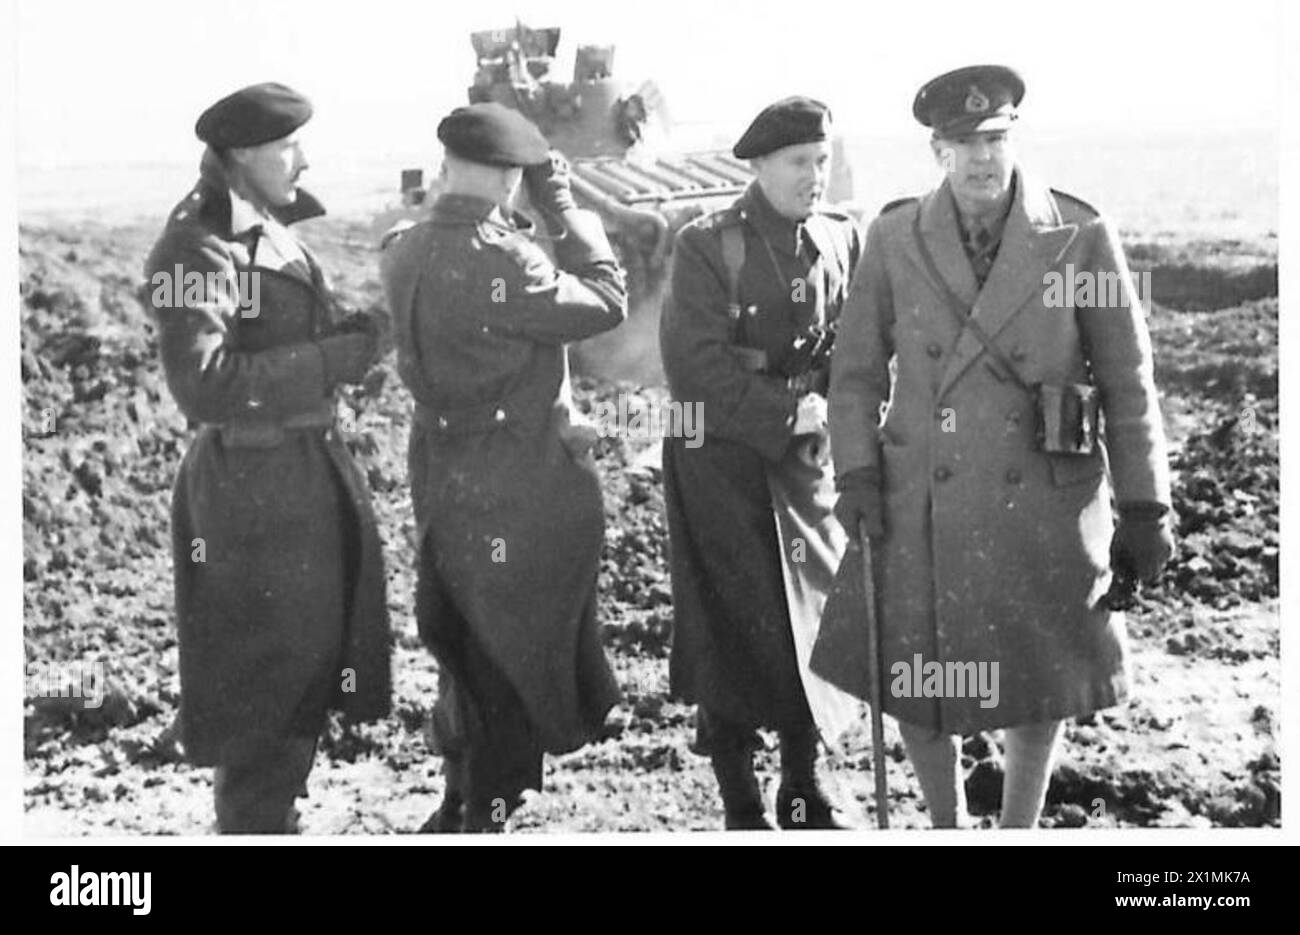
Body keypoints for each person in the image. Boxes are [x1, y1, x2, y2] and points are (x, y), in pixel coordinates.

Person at [821, 65, 1175, 828]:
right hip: (919, 495)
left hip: (1042, 495)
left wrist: (1147, 506)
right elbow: (850, 375)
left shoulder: (1080, 236)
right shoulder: (891, 238)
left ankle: (1018, 829)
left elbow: (1127, 380)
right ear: (937, 151)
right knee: (919, 682)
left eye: (996, 138)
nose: (983, 157)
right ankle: (945, 827)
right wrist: (854, 471)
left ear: (1014, 138)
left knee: (1035, 681)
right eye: (964, 142)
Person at [143, 82, 391, 833]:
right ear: (244, 153)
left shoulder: (267, 228)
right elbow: (205, 385)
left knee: (307, 670)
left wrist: (357, 336)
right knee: (264, 684)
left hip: (299, 481)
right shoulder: (193, 244)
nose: (304, 160)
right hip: (250, 497)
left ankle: (270, 816)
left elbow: (278, 333)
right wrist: (327, 361)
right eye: (289, 146)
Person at [379, 102, 627, 833]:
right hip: (511, 477)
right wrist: (564, 205)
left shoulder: (404, 248)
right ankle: (489, 803)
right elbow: (606, 299)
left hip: (442, 472)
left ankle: (461, 793)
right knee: (512, 643)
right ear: (510, 179)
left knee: (461, 631)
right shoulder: (502, 260)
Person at [659, 97, 863, 830]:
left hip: (806, 462)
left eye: (821, 159)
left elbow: (861, 348)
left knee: (812, 617)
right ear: (759, 166)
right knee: (733, 625)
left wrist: (847, 412)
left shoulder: (842, 238)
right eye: (798, 163)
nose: (815, 176)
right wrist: (788, 411)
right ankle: (741, 802)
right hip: (720, 461)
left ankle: (803, 787)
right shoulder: (708, 245)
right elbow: (693, 370)